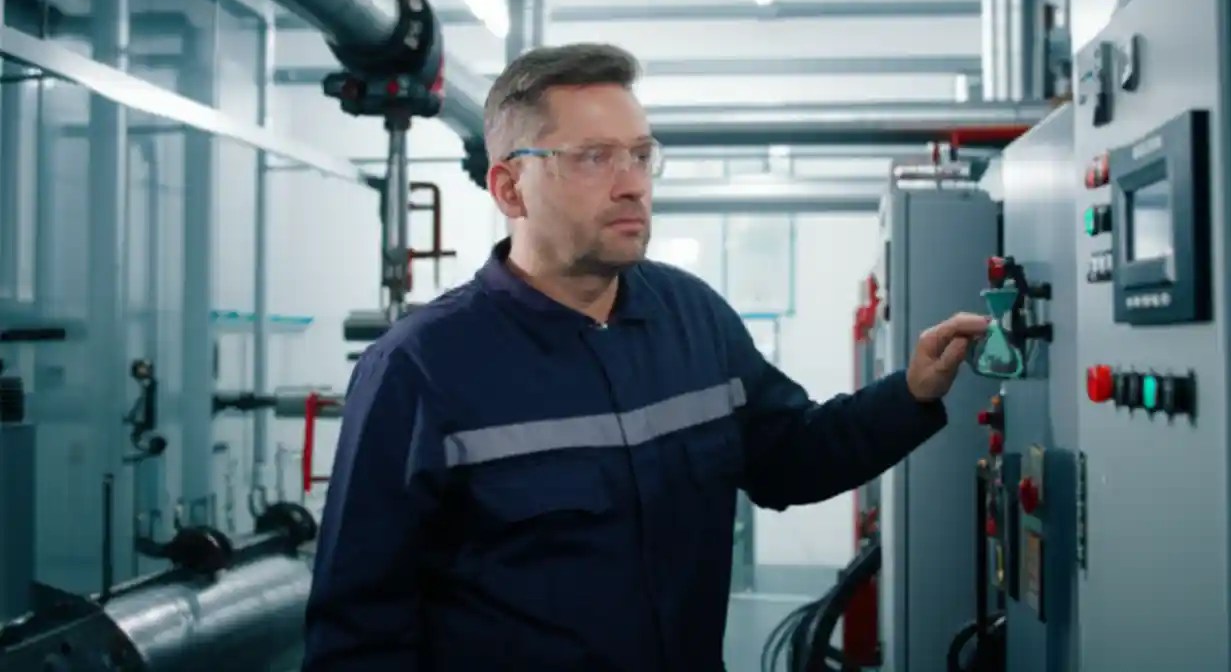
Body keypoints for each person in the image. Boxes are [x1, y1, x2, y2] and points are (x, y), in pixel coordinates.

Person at [302, 42, 989, 672]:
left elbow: (791, 455)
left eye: (640, 154)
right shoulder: (418, 370)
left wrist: (912, 392)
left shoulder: (693, 317)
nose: (631, 182)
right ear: (510, 188)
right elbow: (360, 633)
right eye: (594, 157)